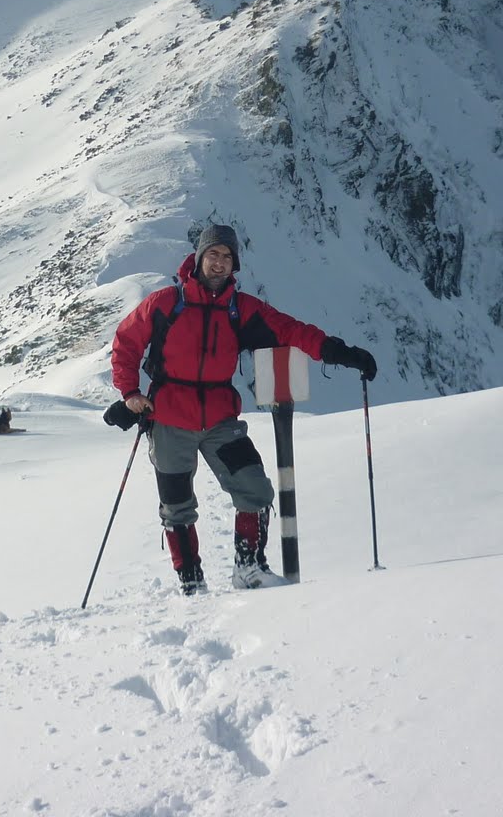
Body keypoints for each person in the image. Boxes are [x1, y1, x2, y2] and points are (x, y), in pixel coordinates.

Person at [106, 224, 377, 594]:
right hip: (169, 417)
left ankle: (248, 567)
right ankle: (191, 582)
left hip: (220, 418)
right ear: (199, 257)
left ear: (234, 265)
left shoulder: (241, 310)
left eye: (227, 257)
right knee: (176, 506)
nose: (219, 263)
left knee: (255, 490)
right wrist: (129, 393)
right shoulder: (166, 303)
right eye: (213, 255)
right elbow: (126, 342)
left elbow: (291, 331)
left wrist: (340, 353)